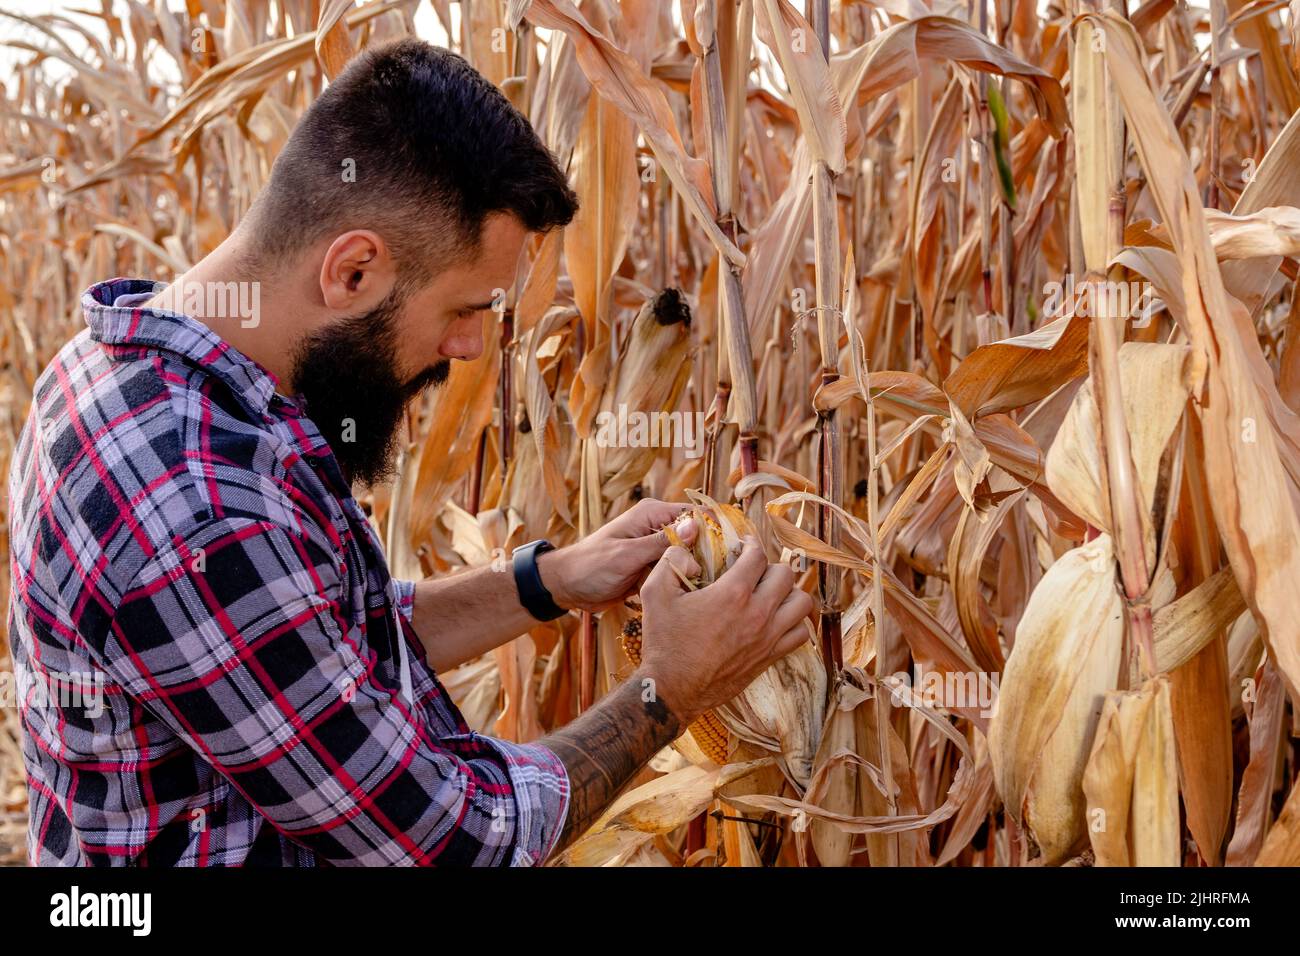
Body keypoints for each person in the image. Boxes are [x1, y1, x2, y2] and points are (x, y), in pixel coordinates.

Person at [6, 38, 812, 866]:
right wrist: (671, 689)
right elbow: (452, 840)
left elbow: (313, 642)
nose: (471, 347)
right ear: (353, 271)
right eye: (465, 307)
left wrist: (549, 582)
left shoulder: (131, 375)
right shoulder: (190, 498)